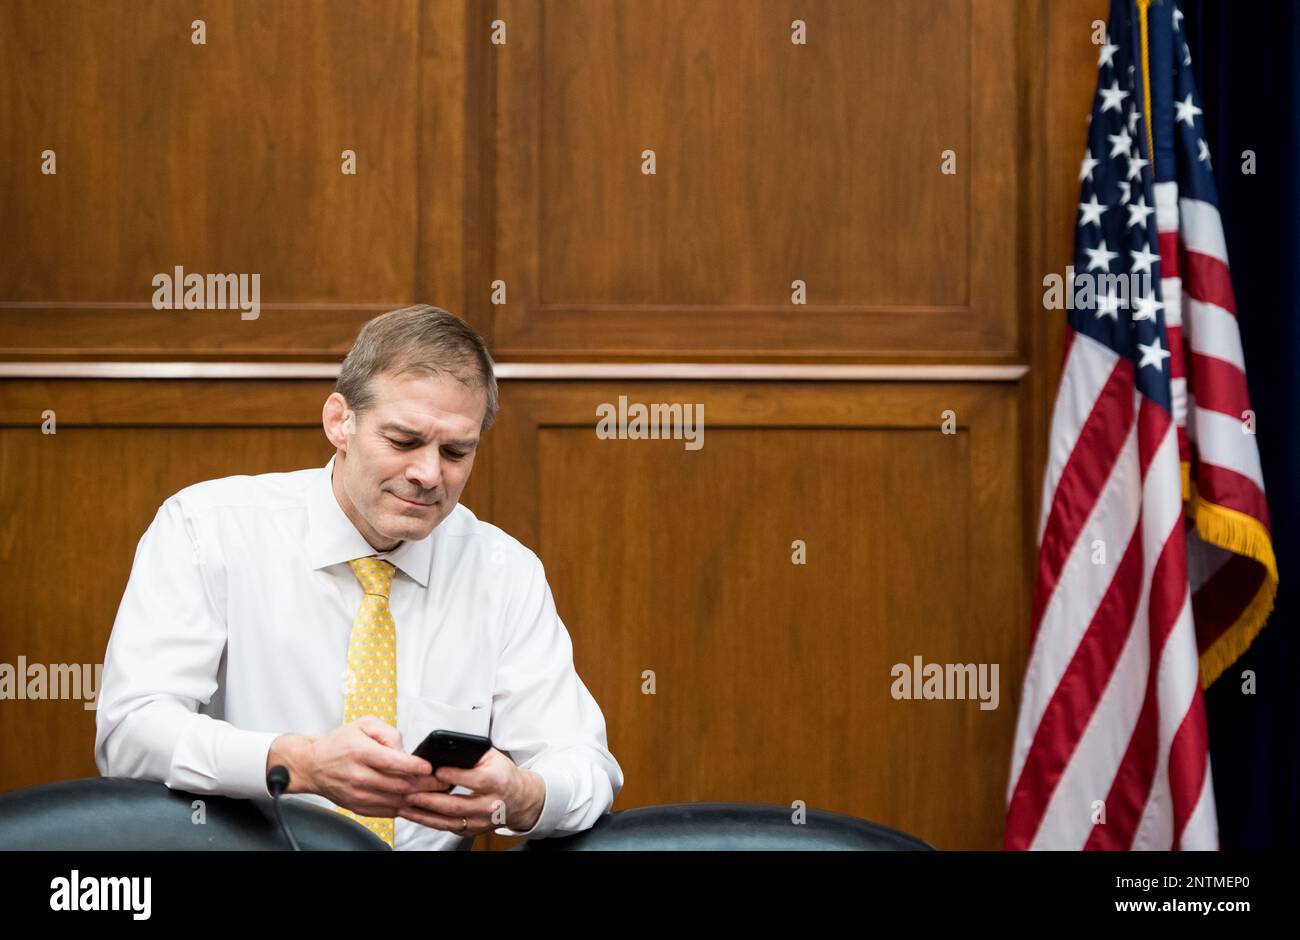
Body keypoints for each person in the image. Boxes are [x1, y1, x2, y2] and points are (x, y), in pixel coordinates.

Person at [94, 304, 623, 849]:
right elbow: (131, 734)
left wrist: (523, 794)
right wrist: (297, 763)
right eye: (403, 442)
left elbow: (586, 766)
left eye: (456, 451)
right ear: (339, 422)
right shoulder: (210, 529)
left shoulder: (503, 571)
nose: (427, 474)